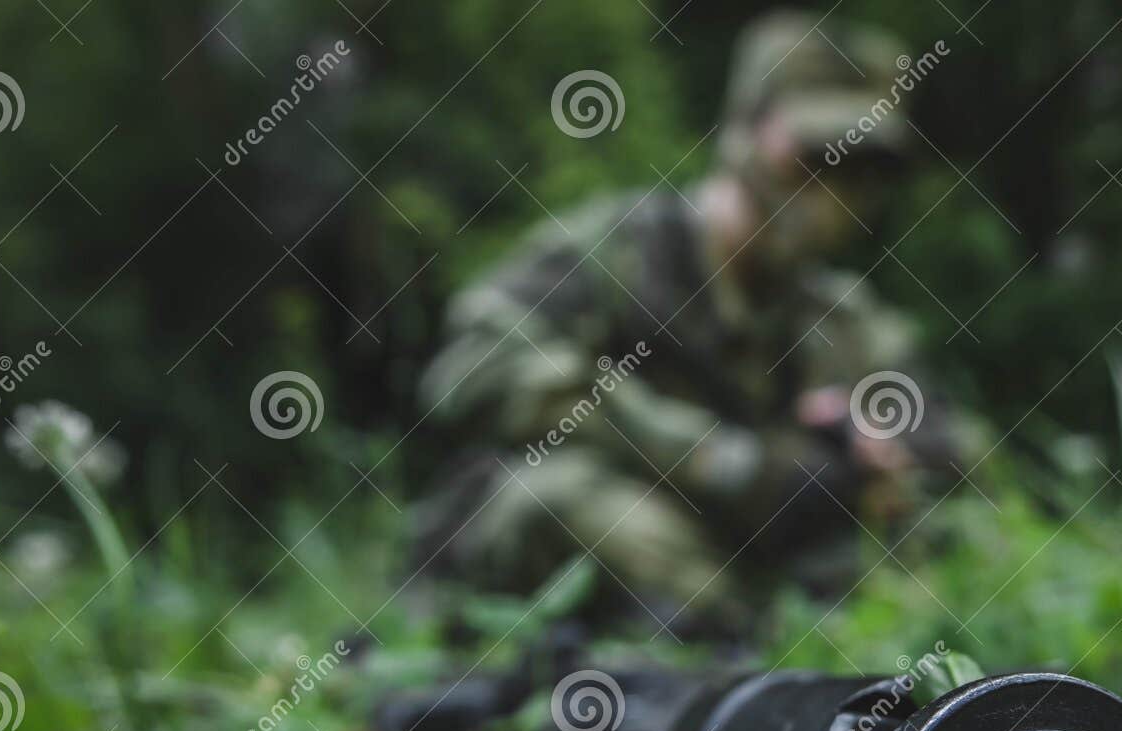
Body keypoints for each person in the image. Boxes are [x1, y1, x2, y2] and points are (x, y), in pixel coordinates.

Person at [410, 11, 966, 633]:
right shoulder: (621, 253)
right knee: (556, 497)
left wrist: (871, 459)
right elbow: (475, 364)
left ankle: (745, 654)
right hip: (587, 556)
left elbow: (951, 445)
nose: (837, 190)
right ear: (744, 133)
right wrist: (719, 460)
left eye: (868, 167)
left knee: (919, 547)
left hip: (740, 574)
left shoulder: (839, 317)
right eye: (815, 155)